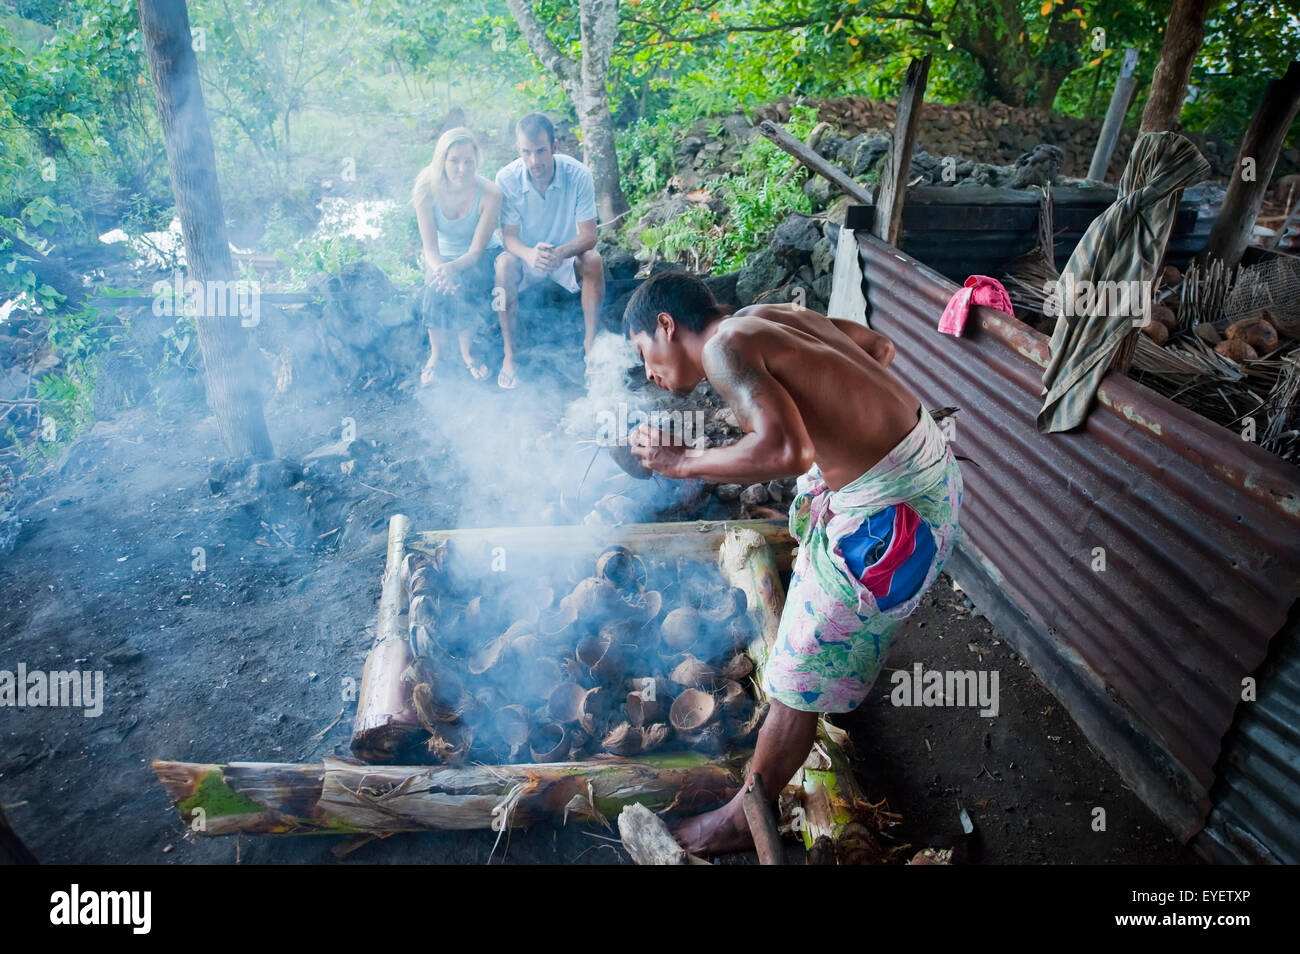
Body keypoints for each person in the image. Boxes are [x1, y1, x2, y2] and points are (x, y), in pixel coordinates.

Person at [623, 271, 963, 856]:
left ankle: (741, 814)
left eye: (643, 355)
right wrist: (849, 437)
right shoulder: (761, 317)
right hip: (927, 471)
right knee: (807, 580)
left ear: (665, 325)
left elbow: (786, 450)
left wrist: (682, 464)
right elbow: (878, 349)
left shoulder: (725, 349)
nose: (650, 374)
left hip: (895, 518)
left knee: (796, 678)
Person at [493, 113, 604, 389]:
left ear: (554, 146)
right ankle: (510, 354)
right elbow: (509, 238)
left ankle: (590, 348)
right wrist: (530, 254)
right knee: (502, 264)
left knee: (594, 260)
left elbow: (589, 235)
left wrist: (561, 253)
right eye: (526, 152)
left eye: (541, 151)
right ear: (518, 151)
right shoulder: (506, 178)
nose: (534, 161)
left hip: (566, 256)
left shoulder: (578, 174)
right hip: (526, 257)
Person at [413, 126, 503, 385]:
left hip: (481, 254)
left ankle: (467, 352)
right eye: (454, 161)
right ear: (442, 161)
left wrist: (454, 269)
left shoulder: (490, 193)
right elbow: (429, 248)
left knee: (468, 281)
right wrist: (441, 269)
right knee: (434, 286)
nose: (462, 168)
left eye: (468, 162)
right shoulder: (426, 188)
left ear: (477, 162)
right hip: (441, 256)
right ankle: (437, 355)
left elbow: (475, 252)